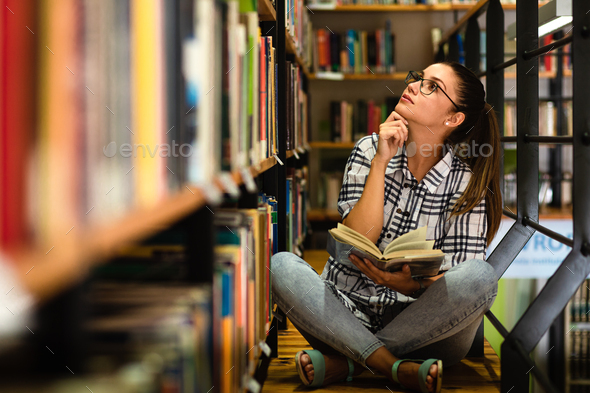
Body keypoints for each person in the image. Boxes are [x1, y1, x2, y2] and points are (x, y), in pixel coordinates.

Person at [271, 61, 501, 393]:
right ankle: (392, 367)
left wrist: (413, 286)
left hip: (425, 328)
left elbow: (459, 278)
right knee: (281, 266)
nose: (413, 85)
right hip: (347, 309)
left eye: (432, 86)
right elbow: (356, 242)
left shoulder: (467, 183)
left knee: (482, 276)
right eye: (418, 78)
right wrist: (381, 161)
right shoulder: (368, 150)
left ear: (453, 119)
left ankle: (352, 360)